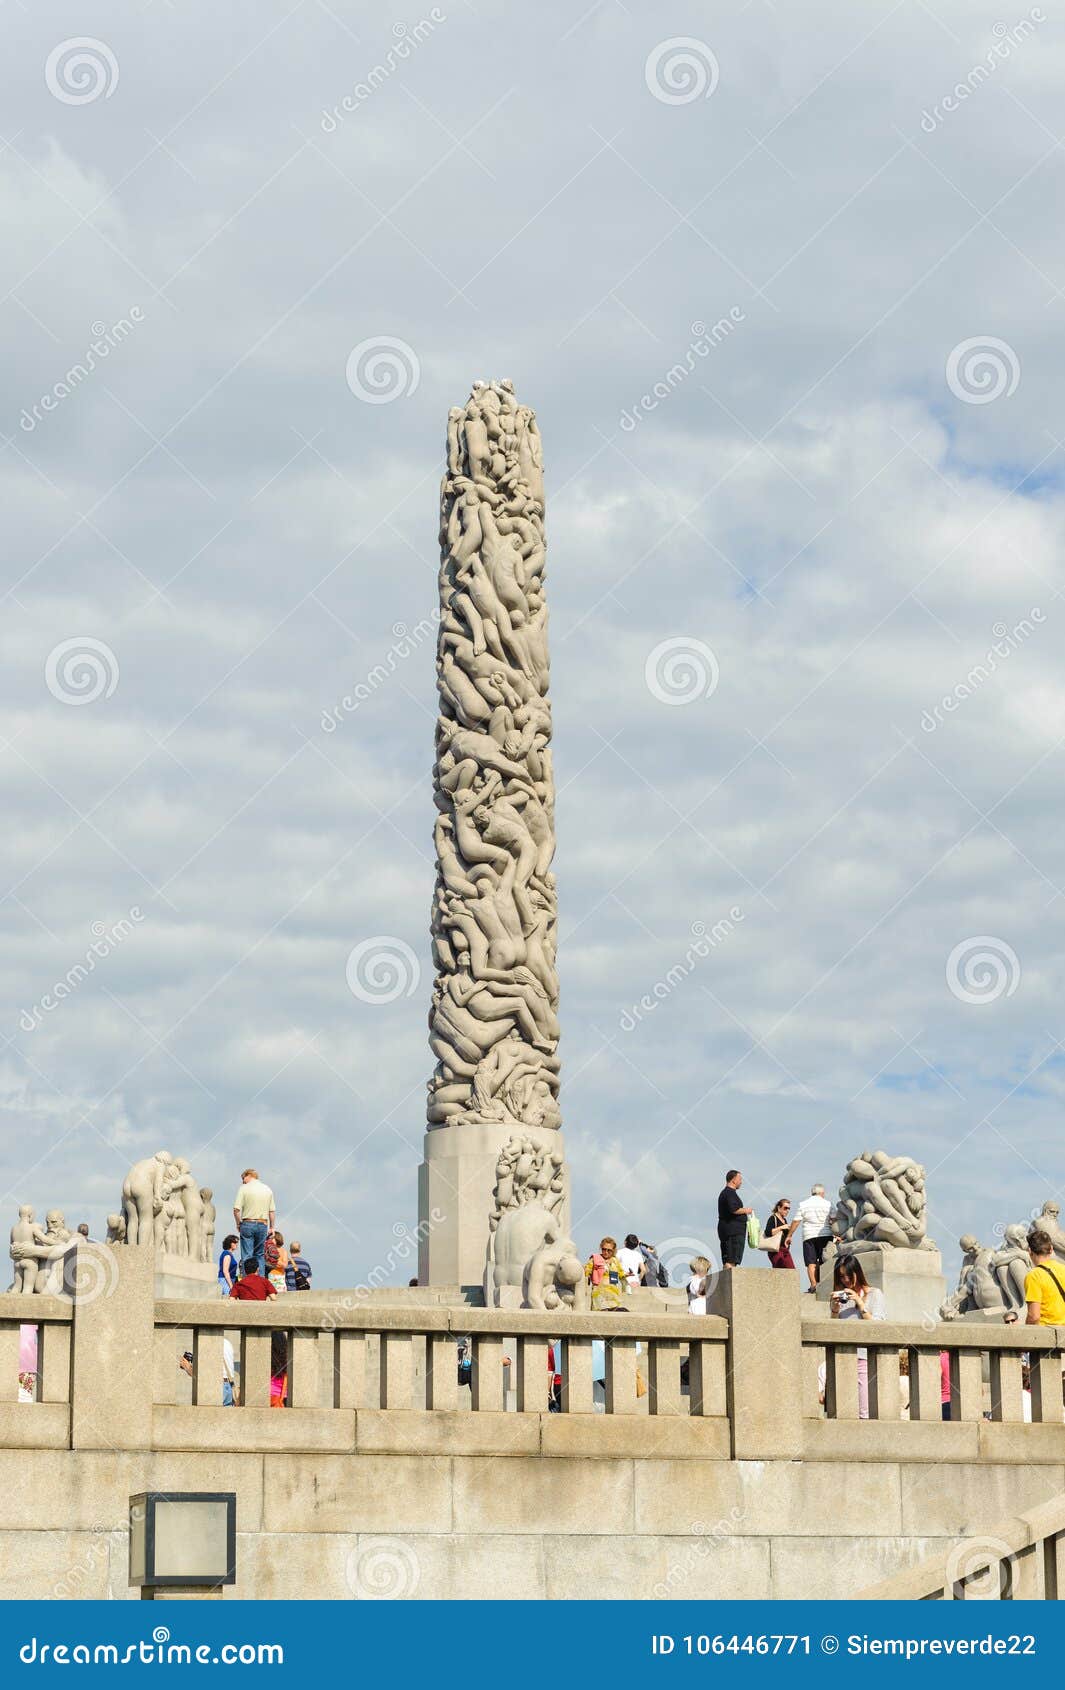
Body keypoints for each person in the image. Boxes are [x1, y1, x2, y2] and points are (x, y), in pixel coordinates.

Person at [829, 1254, 885, 1420]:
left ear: (857, 1272)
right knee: (840, 1411)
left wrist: (860, 1304)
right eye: (841, 1276)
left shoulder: (875, 1294)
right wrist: (834, 1310)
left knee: (864, 1411)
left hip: (864, 1358)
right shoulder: (842, 1300)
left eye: (848, 1275)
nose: (845, 1280)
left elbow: (878, 1328)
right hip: (842, 1358)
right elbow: (833, 1331)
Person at [232, 1168, 275, 1278]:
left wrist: (238, 1224)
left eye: (243, 1178)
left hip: (247, 1223)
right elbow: (272, 1211)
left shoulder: (244, 1188)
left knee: (247, 1255)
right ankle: (260, 1280)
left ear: (249, 1175)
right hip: (263, 1224)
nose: (243, 1181)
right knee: (259, 1255)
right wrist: (272, 1227)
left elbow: (236, 1210)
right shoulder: (268, 1189)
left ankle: (248, 1280)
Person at [795, 1183, 833, 1292]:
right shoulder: (828, 1204)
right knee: (824, 1260)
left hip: (809, 1236)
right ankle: (823, 1283)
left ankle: (813, 1284)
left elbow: (796, 1221)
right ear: (822, 1193)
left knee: (811, 1262)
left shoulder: (803, 1204)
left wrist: (789, 1235)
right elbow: (834, 1219)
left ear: (812, 1193)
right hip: (826, 1235)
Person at [1023, 1228, 1065, 1326]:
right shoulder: (1063, 1269)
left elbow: (1034, 1316)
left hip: (1049, 1334)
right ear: (1051, 1249)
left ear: (1029, 1251)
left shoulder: (1034, 1276)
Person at [180, 1339, 238, 1406]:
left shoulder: (209, 1344)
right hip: (228, 1386)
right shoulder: (227, 1343)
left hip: (215, 1387)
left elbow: (202, 1375)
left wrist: (187, 1367)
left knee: (207, 1415)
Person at [717, 1170, 752, 1269]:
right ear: (733, 1180)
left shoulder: (727, 1193)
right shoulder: (729, 1193)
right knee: (730, 1261)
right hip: (732, 1232)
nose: (741, 1182)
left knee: (730, 1261)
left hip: (729, 1231)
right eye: (740, 1179)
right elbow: (734, 1209)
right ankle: (730, 1283)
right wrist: (746, 1210)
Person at [585, 1237, 628, 1310]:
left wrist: (626, 1275)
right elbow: (586, 1272)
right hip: (599, 1294)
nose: (606, 1252)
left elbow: (621, 1274)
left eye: (609, 1250)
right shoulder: (595, 1258)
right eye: (604, 1249)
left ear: (613, 1250)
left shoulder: (615, 1261)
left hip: (613, 1295)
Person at [764, 1198, 797, 1269]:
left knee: (791, 1270)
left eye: (789, 1208)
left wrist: (788, 1239)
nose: (787, 1210)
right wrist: (781, 1227)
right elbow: (767, 1232)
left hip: (785, 1250)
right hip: (775, 1250)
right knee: (779, 1270)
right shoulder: (773, 1218)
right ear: (779, 1208)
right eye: (785, 1208)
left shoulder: (784, 1220)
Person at [265, 1230, 289, 1295]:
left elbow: (284, 1265)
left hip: (272, 1275)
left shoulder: (271, 1250)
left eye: (272, 1238)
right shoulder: (284, 1251)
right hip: (281, 1276)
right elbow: (285, 1265)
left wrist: (274, 1261)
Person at [270, 1332, 288, 1407]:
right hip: (283, 1397)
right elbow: (286, 1379)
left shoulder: (268, 1358)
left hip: (269, 1396)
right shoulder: (286, 1358)